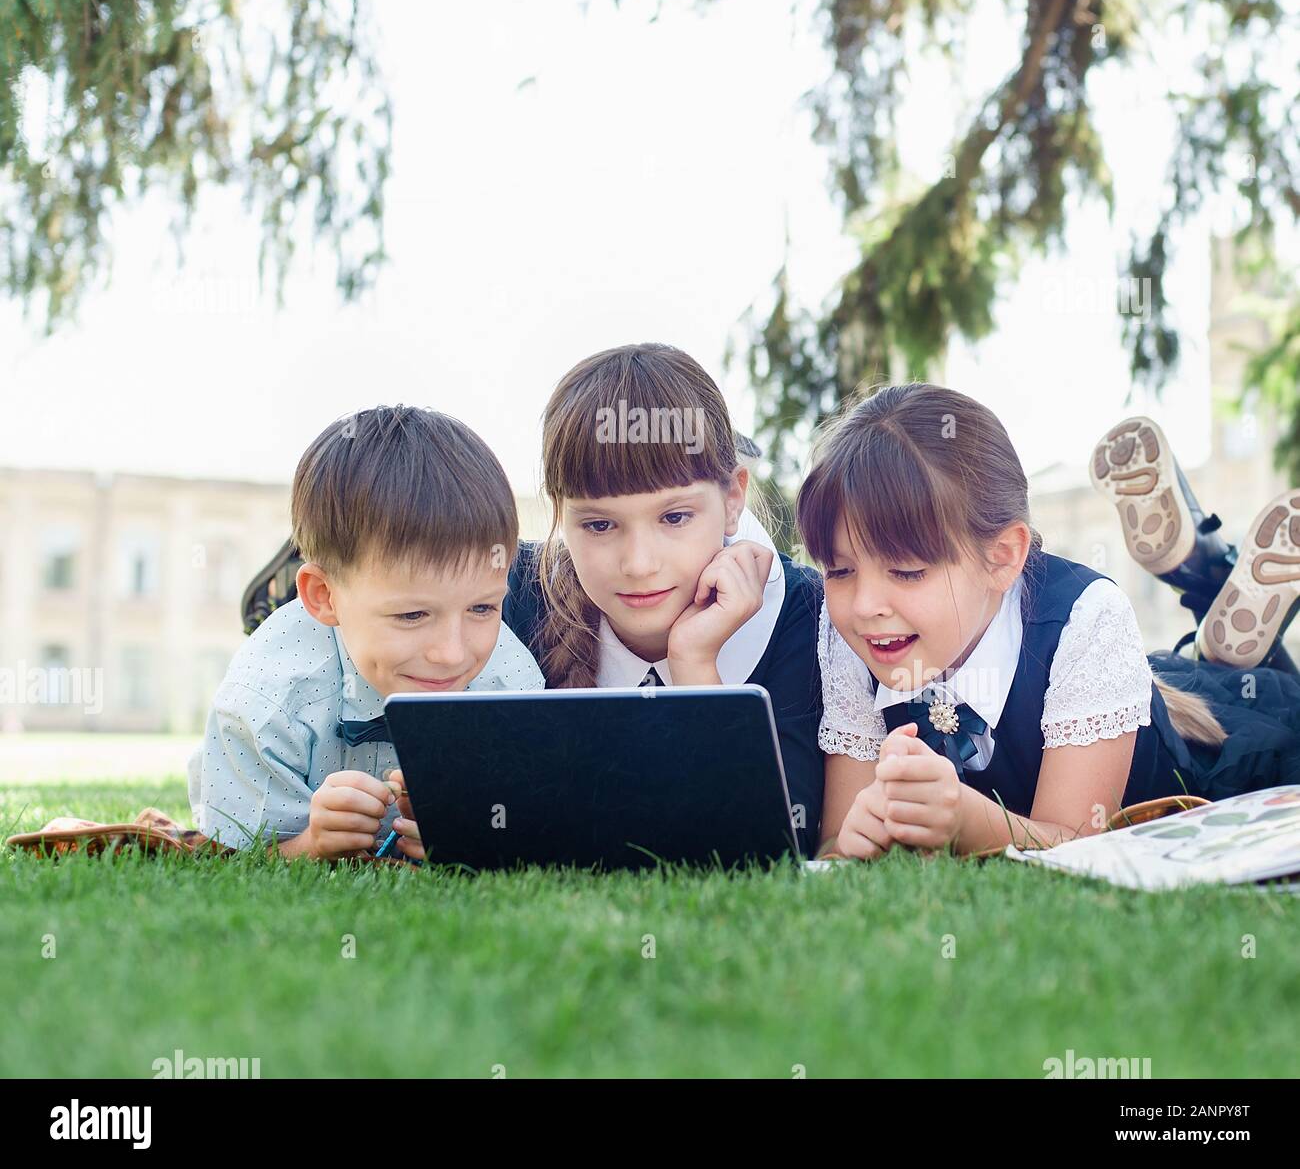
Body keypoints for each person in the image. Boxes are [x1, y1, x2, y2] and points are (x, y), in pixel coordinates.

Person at [801, 384, 1300, 861]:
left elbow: (1077, 846)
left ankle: (1208, 576)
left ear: (1001, 558)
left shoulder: (1085, 617)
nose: (865, 604)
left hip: (1213, 757)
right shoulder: (849, 630)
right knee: (1200, 672)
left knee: (1261, 704)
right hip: (1121, 680)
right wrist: (854, 841)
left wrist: (966, 821)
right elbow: (835, 847)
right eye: (840, 570)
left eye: (907, 572)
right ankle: (1206, 579)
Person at [502, 342, 827, 853]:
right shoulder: (509, 594)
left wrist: (695, 661)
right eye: (600, 523)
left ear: (732, 498)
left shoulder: (804, 615)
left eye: (674, 517)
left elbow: (770, 844)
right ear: (561, 515)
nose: (638, 563)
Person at [188, 405, 543, 860]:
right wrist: (310, 844)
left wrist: (473, 833)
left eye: (482, 607)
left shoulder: (510, 685)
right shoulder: (266, 702)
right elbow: (232, 854)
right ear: (324, 596)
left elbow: (527, 827)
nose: (453, 654)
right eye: (413, 615)